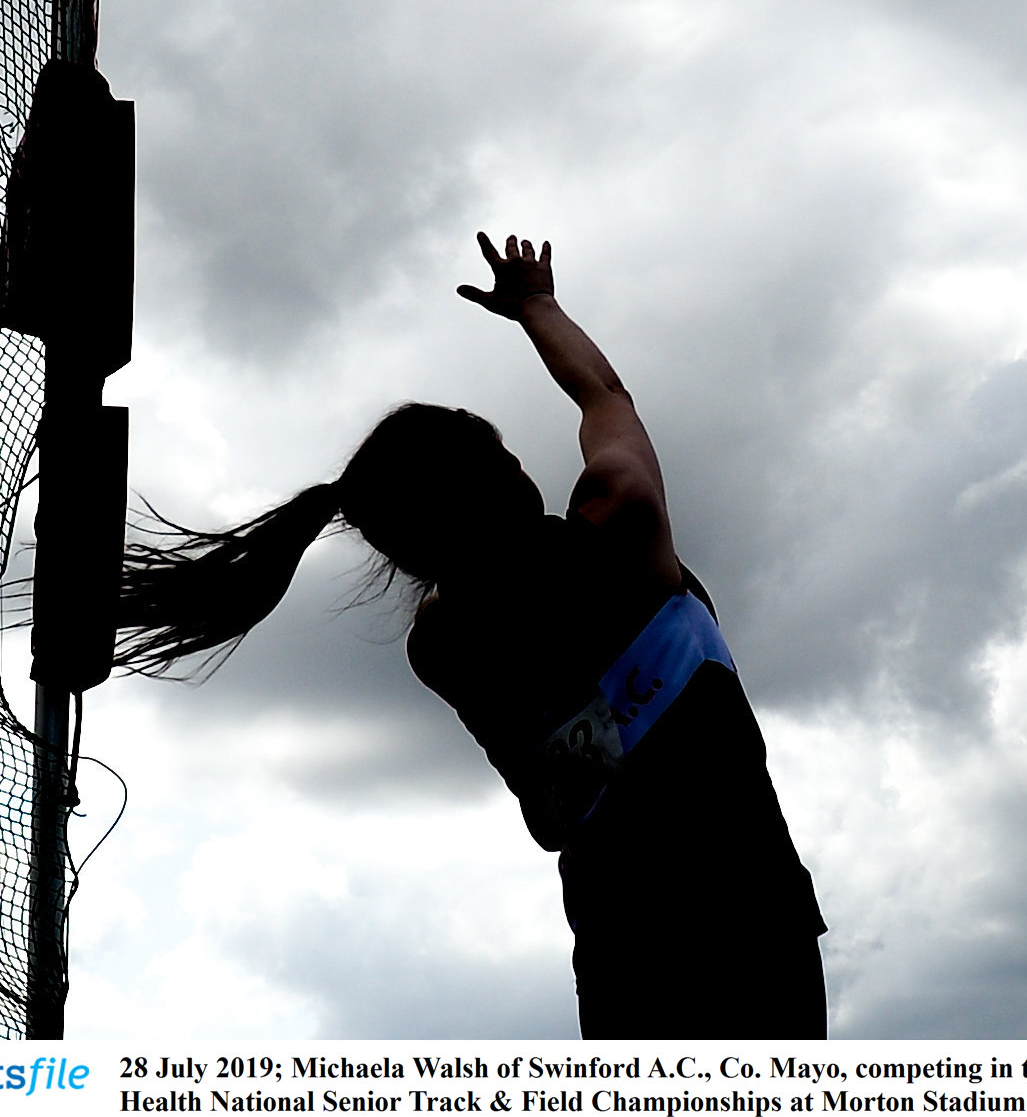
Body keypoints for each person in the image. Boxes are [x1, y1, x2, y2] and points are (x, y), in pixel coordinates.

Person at [113, 234, 827, 1038]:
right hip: (750, 924)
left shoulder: (442, 647)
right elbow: (607, 396)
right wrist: (536, 305)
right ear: (507, 478)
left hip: (620, 954)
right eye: (507, 452)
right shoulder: (623, 520)